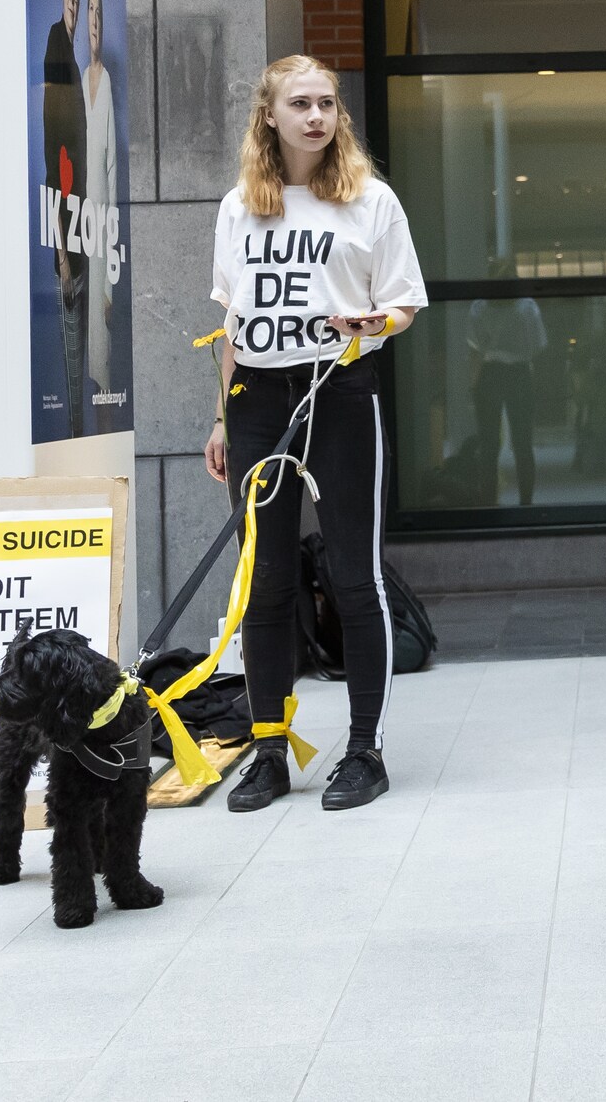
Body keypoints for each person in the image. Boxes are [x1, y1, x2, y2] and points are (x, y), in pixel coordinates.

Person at [205, 56, 427, 813]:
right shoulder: (240, 205)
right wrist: (220, 416)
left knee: (351, 571)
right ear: (268, 114)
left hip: (338, 388)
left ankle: (364, 749)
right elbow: (232, 323)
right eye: (299, 103)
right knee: (263, 580)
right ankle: (269, 750)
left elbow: (403, 306)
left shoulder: (371, 201)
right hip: (257, 395)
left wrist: (377, 324)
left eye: (327, 103)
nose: (316, 117)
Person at [42, 0, 88, 435]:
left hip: (82, 229)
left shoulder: (72, 54)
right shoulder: (58, 43)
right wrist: (61, 250)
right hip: (67, 238)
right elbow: (54, 159)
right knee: (72, 355)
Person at [466, 270, 548, 506]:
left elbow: (475, 348)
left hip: (489, 372)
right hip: (519, 372)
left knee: (488, 444)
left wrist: (473, 385)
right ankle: (526, 502)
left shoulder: (480, 307)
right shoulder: (527, 308)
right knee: (523, 443)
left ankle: (489, 502)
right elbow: (537, 345)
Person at [80, 0, 119, 420]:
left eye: (97, 11)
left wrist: (109, 276)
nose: (93, 19)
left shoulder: (105, 79)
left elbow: (109, 165)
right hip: (76, 221)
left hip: (100, 226)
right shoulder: (75, 80)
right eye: (88, 9)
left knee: (102, 349)